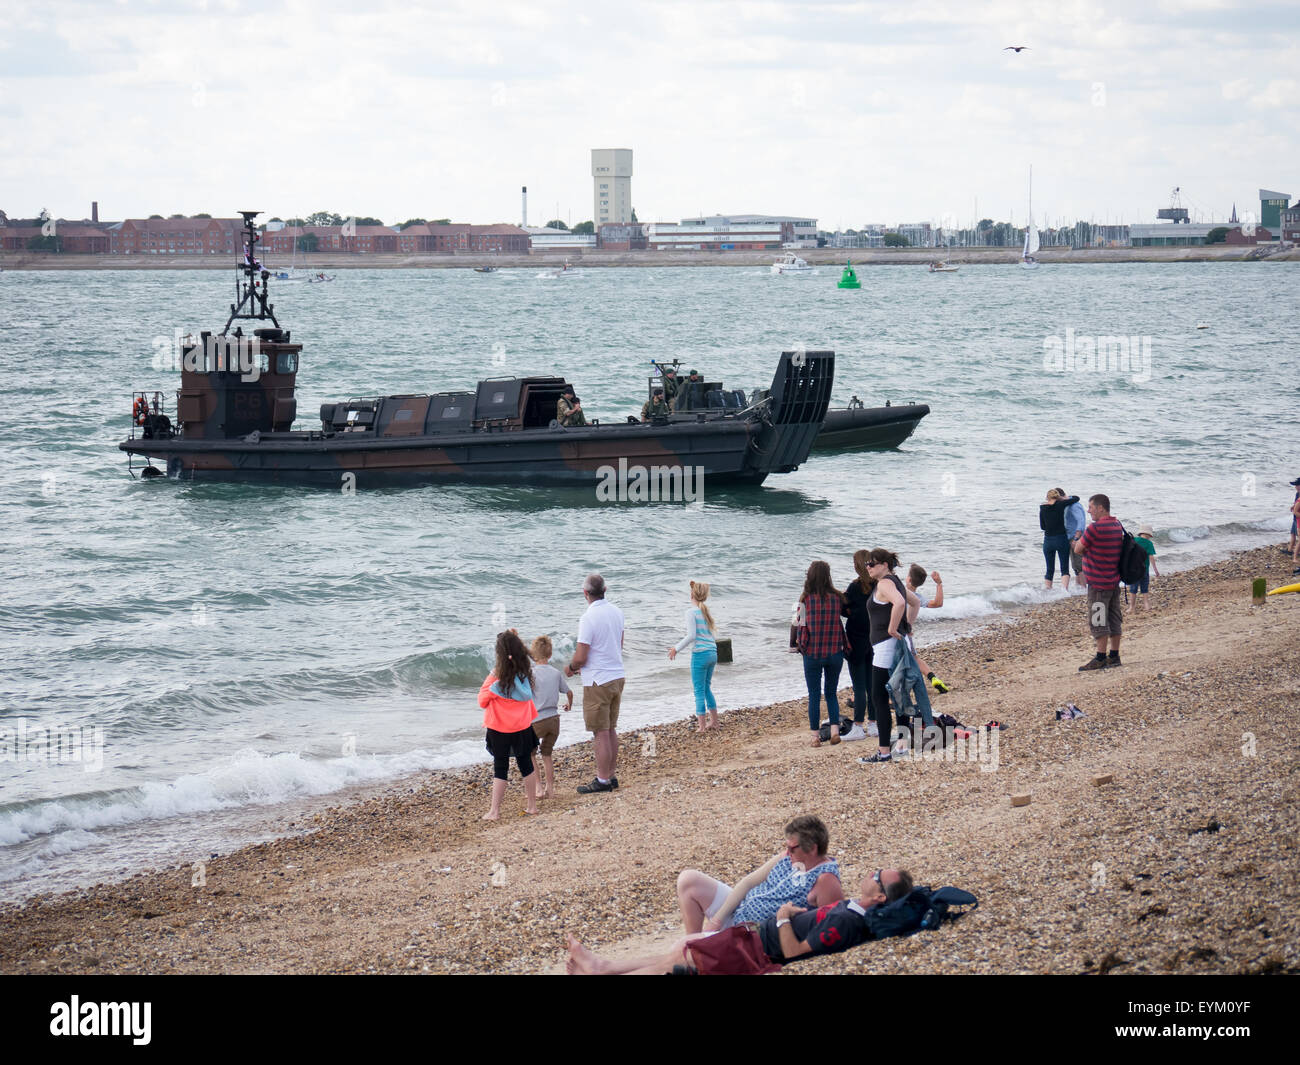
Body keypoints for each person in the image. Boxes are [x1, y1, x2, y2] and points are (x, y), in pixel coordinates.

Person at [565, 866, 914, 975]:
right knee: (682, 951)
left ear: (881, 896)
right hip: (754, 938)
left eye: (877, 876)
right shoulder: (853, 907)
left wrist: (781, 918)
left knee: (682, 958)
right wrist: (799, 911)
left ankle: (603, 969)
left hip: (759, 950)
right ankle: (605, 968)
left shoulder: (851, 923)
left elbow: (794, 952)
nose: (870, 874)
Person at [675, 815, 842, 933]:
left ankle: (694, 952)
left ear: (812, 848)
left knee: (682, 951)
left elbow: (830, 928)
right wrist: (717, 920)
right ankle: (694, 944)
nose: (788, 852)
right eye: (787, 846)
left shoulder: (825, 879)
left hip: (753, 935)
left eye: (792, 848)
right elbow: (749, 883)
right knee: (688, 879)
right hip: (738, 911)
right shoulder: (787, 857)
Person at [564, 573, 624, 793]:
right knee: (610, 729)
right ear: (605, 590)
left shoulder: (588, 617)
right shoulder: (618, 612)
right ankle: (610, 775)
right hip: (617, 674)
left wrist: (570, 668)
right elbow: (619, 644)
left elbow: (581, 656)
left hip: (598, 679)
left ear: (585, 593)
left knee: (600, 731)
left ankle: (603, 780)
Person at [861, 549, 919, 763]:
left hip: (886, 647)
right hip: (897, 644)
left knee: (879, 698)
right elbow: (915, 603)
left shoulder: (885, 583)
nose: (868, 567)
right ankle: (902, 745)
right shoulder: (896, 582)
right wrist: (907, 625)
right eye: (867, 563)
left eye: (872, 563)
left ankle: (884, 751)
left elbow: (902, 603)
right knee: (899, 694)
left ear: (885, 564)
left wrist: (894, 628)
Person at [478, 630, 540, 820]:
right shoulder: (523, 675)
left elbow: (482, 700)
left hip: (499, 729)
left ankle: (495, 811)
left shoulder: (496, 678)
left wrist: (493, 685)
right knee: (526, 764)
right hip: (522, 726)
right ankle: (532, 806)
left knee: (501, 768)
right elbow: (527, 699)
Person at [795, 561, 847, 747]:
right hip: (834, 652)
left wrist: (800, 647)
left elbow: (801, 629)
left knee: (814, 695)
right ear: (828, 576)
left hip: (813, 654)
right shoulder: (837, 597)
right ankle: (834, 731)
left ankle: (815, 737)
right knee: (831, 693)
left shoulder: (804, 599)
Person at [1074, 494, 1125, 670]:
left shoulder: (1095, 528)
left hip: (1098, 582)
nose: (1088, 511)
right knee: (1114, 618)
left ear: (1100, 508)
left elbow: (1079, 549)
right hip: (1113, 579)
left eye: (1091, 507)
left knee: (1098, 619)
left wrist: (1077, 540)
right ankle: (1114, 656)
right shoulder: (1117, 524)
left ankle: (1101, 657)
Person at [668, 580, 719, 732]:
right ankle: (714, 722)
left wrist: (676, 649)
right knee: (706, 688)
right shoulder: (705, 612)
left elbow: (691, 636)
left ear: (691, 595)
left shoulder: (691, 612)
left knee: (698, 690)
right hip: (713, 653)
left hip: (701, 655)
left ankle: (702, 726)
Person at [529, 635, 572, 799]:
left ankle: (538, 789)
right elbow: (569, 692)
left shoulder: (530, 673)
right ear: (550, 654)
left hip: (536, 720)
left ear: (534, 655)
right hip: (554, 720)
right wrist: (569, 705)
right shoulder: (555, 672)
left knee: (531, 754)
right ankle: (551, 789)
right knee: (547, 755)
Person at [841, 550, 876, 741]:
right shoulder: (879, 585)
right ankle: (873, 724)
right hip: (875, 639)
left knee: (859, 686)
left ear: (857, 566)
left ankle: (857, 727)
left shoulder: (854, 587)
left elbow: (844, 609)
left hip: (856, 640)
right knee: (872, 686)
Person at [905, 564, 950, 693]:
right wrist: (939, 583)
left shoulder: (898, 591)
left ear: (908, 579)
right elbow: (938, 603)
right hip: (908, 633)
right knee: (914, 657)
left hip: (896, 632)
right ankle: (933, 678)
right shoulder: (917, 597)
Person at [1040, 488, 1080, 590]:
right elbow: (1076, 498)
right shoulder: (1061, 504)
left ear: (1047, 497)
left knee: (1049, 569)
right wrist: (1064, 498)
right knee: (1064, 568)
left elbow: (1043, 527)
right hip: (1061, 539)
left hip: (1048, 541)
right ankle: (1064, 591)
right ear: (1058, 497)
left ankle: (1048, 591)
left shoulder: (1042, 508)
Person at [1126, 524, 1161, 615]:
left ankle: (1132, 607)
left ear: (1141, 533)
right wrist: (1156, 570)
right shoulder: (1149, 543)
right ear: (1149, 534)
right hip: (1145, 570)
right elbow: (1151, 557)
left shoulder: (1134, 540)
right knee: (1144, 588)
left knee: (1133, 589)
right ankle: (1146, 605)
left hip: (1134, 570)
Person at [1063, 488, 1088, 589]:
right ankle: (1079, 586)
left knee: (1079, 563)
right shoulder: (1068, 504)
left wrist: (1076, 538)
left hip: (1076, 536)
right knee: (1075, 564)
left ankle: (1084, 587)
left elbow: (1081, 522)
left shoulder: (1074, 506)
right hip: (1070, 536)